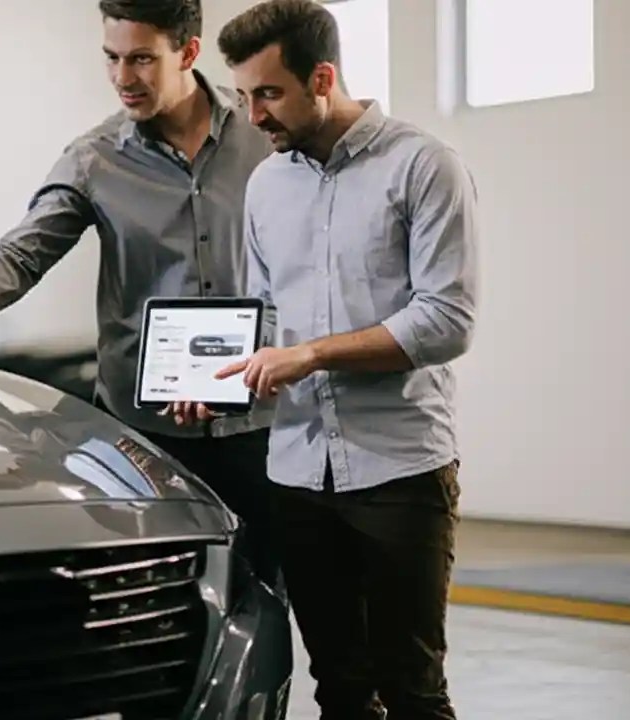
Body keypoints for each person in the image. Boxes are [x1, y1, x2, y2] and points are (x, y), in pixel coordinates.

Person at [0, 0, 281, 585]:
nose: (123, 78)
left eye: (143, 59)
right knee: (142, 595)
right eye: (112, 58)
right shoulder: (95, 158)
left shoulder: (266, 135)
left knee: (261, 595)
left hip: (260, 425)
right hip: (141, 436)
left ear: (189, 52)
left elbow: (310, 262)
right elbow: (23, 251)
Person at [187, 1, 478, 718]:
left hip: (399, 471)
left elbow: (446, 321)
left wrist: (311, 356)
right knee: (340, 687)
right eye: (244, 95)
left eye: (268, 94)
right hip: (296, 472)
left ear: (323, 77)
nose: (252, 117)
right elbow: (269, 323)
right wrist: (217, 387)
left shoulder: (422, 166)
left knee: (412, 686)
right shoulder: (266, 186)